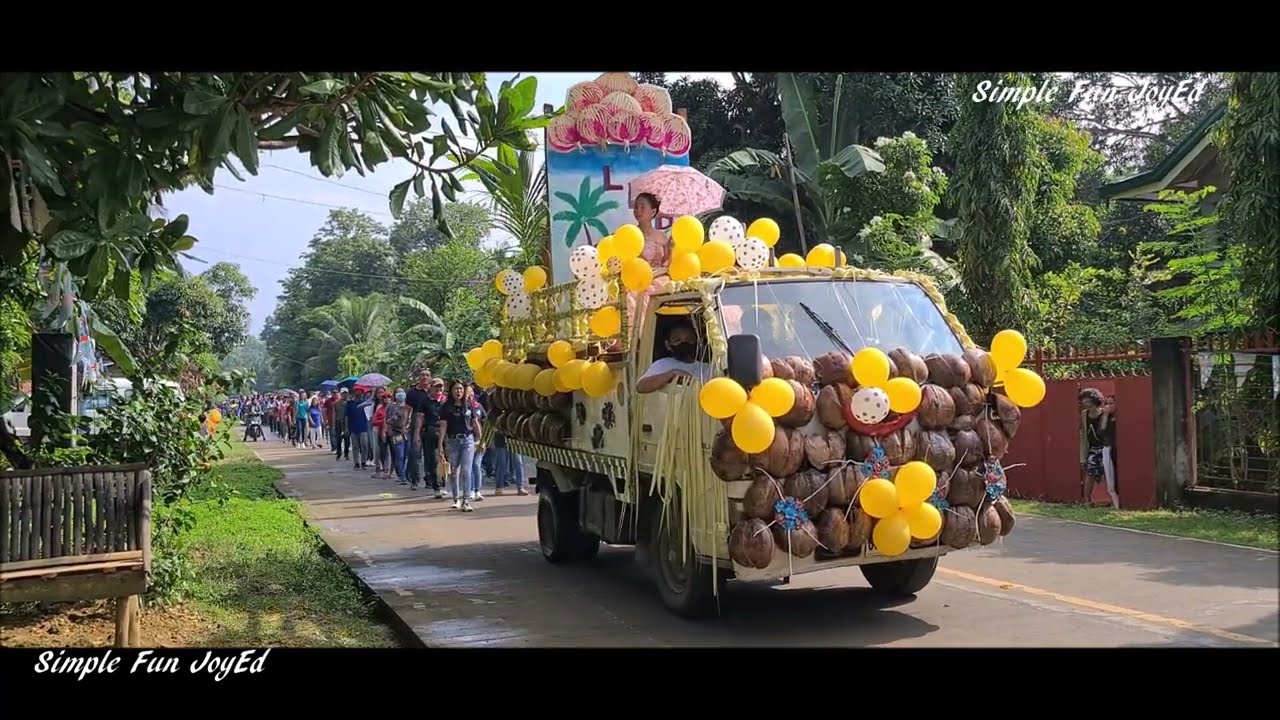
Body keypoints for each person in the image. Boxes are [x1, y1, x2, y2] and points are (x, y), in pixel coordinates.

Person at [437, 379, 483, 512]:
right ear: (451, 391)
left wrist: (480, 440)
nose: (459, 392)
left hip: (468, 440)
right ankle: (456, 498)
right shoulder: (446, 406)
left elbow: (475, 422)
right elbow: (443, 426)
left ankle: (466, 500)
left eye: (461, 389)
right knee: (454, 470)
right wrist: (440, 444)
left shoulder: (469, 405)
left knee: (466, 471)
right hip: (452, 441)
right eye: (456, 389)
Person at [637, 320, 712, 394]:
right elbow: (641, 387)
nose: (684, 343)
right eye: (677, 340)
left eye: (689, 339)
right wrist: (672, 373)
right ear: (668, 345)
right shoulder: (663, 364)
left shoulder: (707, 368)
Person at [1079, 388, 1119, 509]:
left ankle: (1113, 501)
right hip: (1093, 447)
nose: (1084, 402)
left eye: (1087, 399)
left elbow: (1103, 430)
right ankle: (1087, 501)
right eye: (1083, 399)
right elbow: (1084, 435)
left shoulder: (1104, 413)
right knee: (1090, 472)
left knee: (1109, 473)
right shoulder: (1084, 414)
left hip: (1105, 447)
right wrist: (1083, 456)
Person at [384, 388, 410, 484]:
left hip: (407, 433)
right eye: (398, 392)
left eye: (402, 392)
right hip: (396, 434)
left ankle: (406, 475)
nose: (401, 394)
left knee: (406, 455)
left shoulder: (408, 407)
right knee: (399, 455)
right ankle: (401, 476)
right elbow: (387, 420)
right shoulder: (392, 407)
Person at [346, 388, 372, 469]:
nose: (359, 393)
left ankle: (363, 461)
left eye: (360, 392)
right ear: (354, 393)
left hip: (363, 427)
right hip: (353, 427)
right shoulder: (350, 403)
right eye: (357, 391)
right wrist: (346, 428)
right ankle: (356, 463)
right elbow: (346, 416)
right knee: (355, 446)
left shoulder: (365, 403)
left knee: (364, 445)